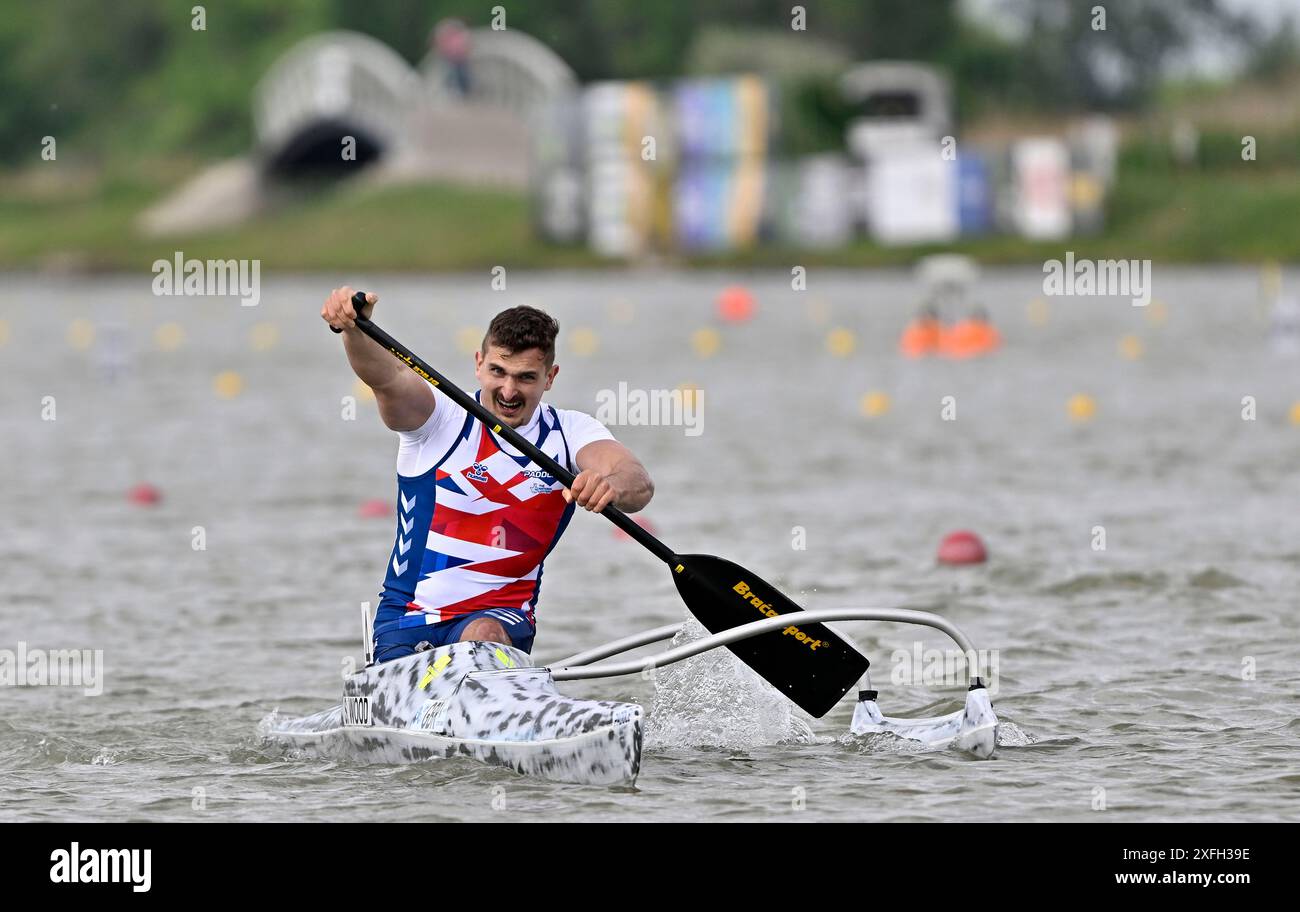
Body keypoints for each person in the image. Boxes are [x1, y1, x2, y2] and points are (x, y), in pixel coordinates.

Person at [321, 288, 654, 661]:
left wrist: (610, 486)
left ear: (550, 377)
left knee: (484, 632)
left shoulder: (571, 433)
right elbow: (387, 377)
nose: (509, 391)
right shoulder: (439, 416)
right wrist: (354, 329)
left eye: (526, 377)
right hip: (408, 622)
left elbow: (635, 479)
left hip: (502, 625)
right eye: (498, 371)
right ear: (478, 363)